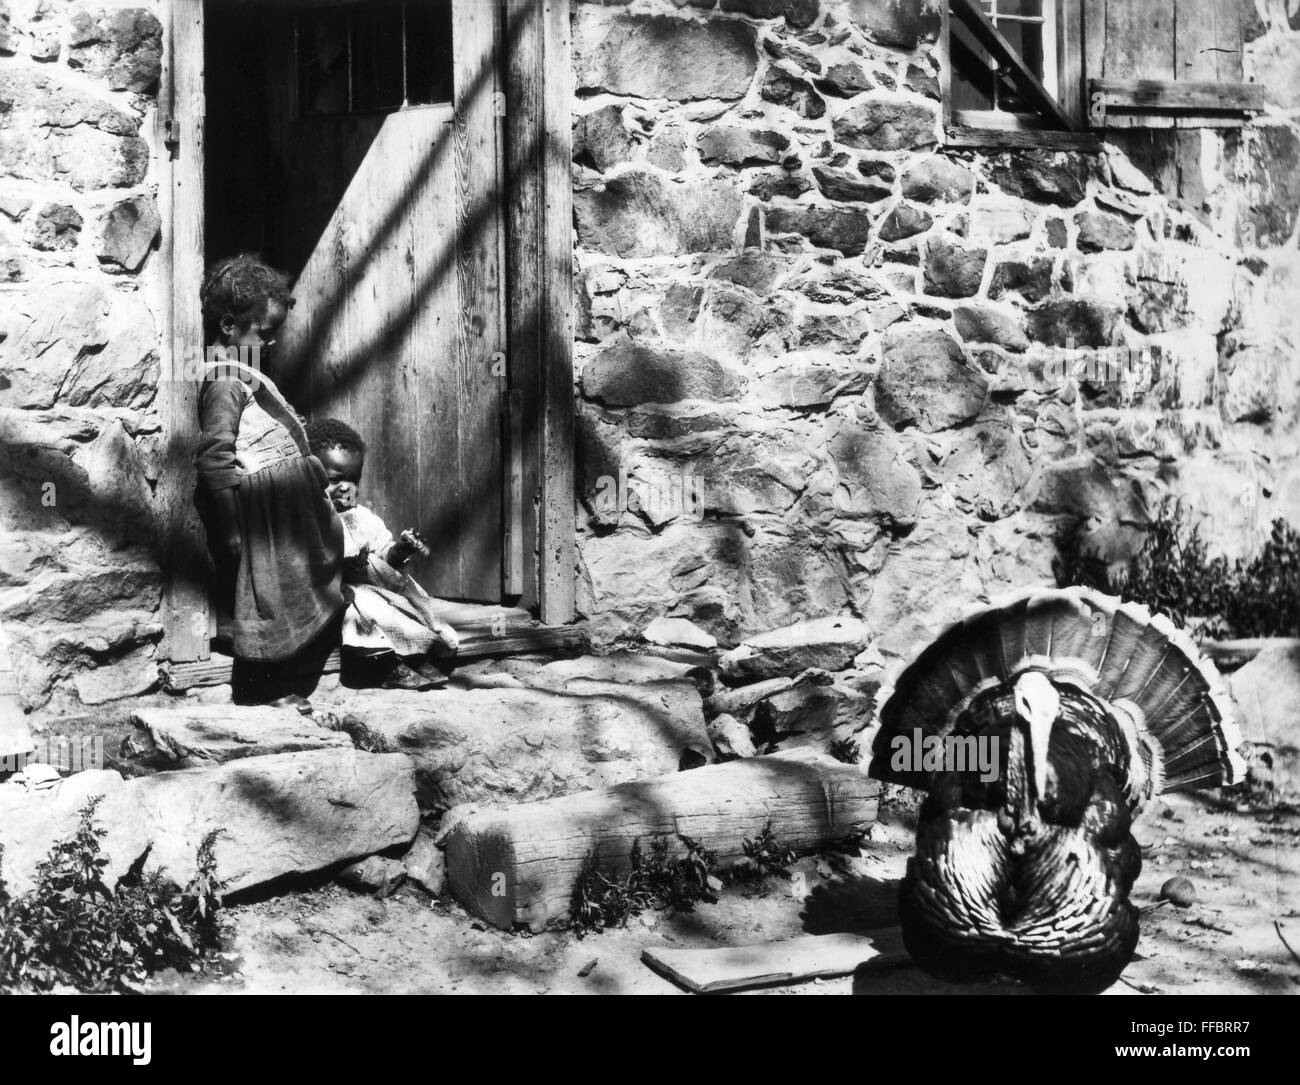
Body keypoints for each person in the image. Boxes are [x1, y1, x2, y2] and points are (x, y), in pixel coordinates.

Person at [194, 255, 345, 703]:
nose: (273, 340)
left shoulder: (247, 372)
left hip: (289, 511)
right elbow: (215, 458)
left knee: (299, 583)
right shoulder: (223, 381)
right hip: (265, 516)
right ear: (227, 325)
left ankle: (298, 671)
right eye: (265, 331)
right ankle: (268, 687)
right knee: (271, 598)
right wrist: (232, 529)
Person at [304, 418, 459, 691]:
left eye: (353, 480)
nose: (346, 488)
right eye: (335, 480)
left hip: (371, 591)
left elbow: (384, 555)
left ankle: (414, 654)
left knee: (405, 600)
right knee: (366, 604)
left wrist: (401, 549)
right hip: (330, 599)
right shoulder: (307, 520)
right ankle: (384, 668)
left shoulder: (362, 518)